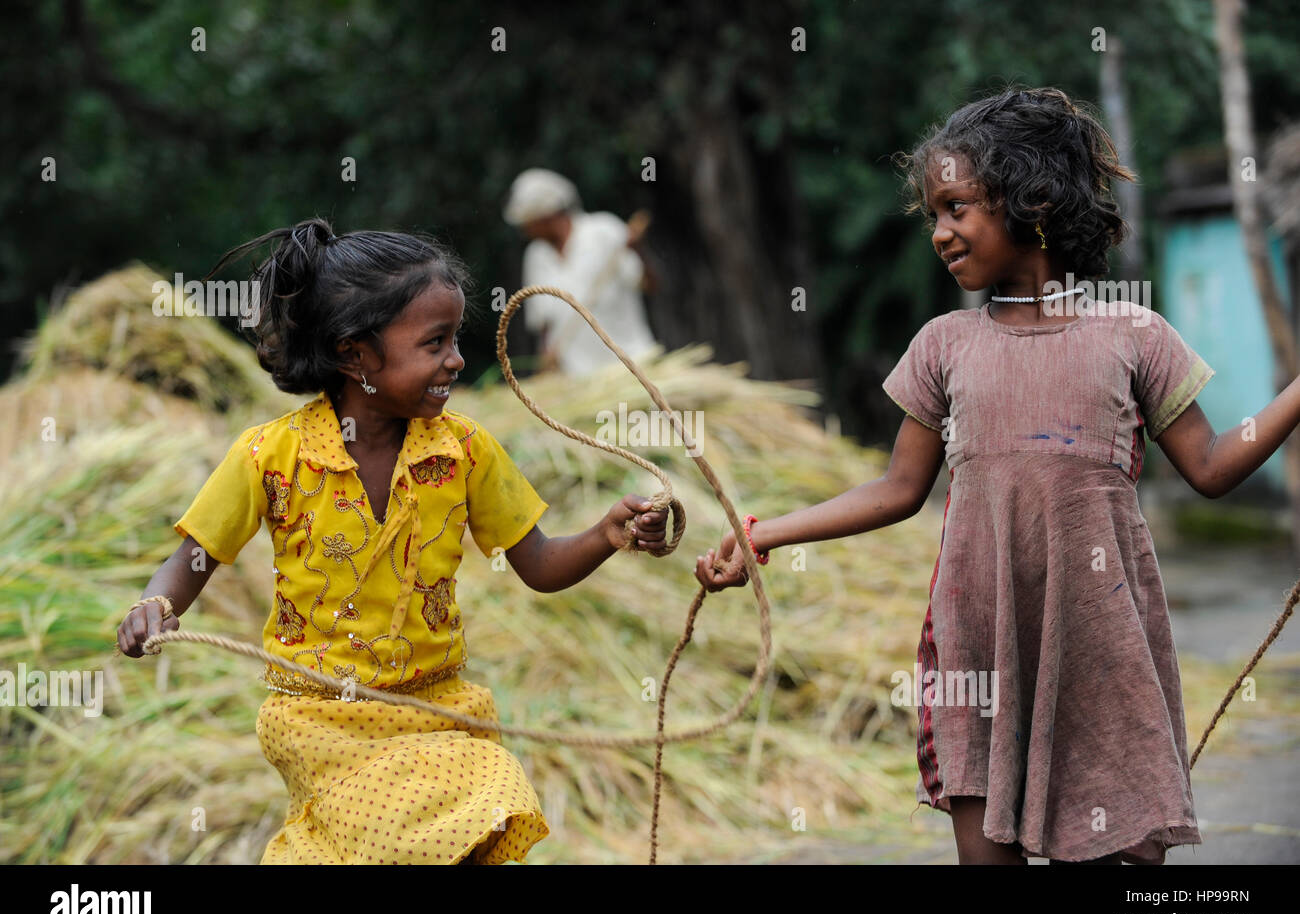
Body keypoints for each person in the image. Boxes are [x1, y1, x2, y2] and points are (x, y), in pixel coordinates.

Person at [699, 86, 1300, 865]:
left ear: (1033, 199)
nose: (942, 234)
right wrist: (762, 535)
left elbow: (1214, 465)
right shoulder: (944, 346)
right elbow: (895, 490)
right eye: (935, 217)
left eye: (958, 208)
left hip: (1100, 643)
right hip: (978, 645)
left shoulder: (1136, 335)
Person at [115, 218, 670, 864]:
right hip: (321, 722)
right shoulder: (271, 457)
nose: (457, 360)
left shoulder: (465, 451)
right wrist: (157, 605)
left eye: (455, 339)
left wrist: (608, 534)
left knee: (490, 797)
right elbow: (191, 559)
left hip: (442, 711)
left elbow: (540, 564)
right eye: (434, 343)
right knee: (385, 836)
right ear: (354, 355)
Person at [503, 168, 659, 375]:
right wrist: (547, 358)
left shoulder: (604, 231)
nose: (525, 230)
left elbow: (649, 284)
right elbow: (544, 322)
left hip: (631, 367)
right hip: (579, 378)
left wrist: (639, 251)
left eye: (528, 223)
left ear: (547, 216)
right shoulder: (536, 255)